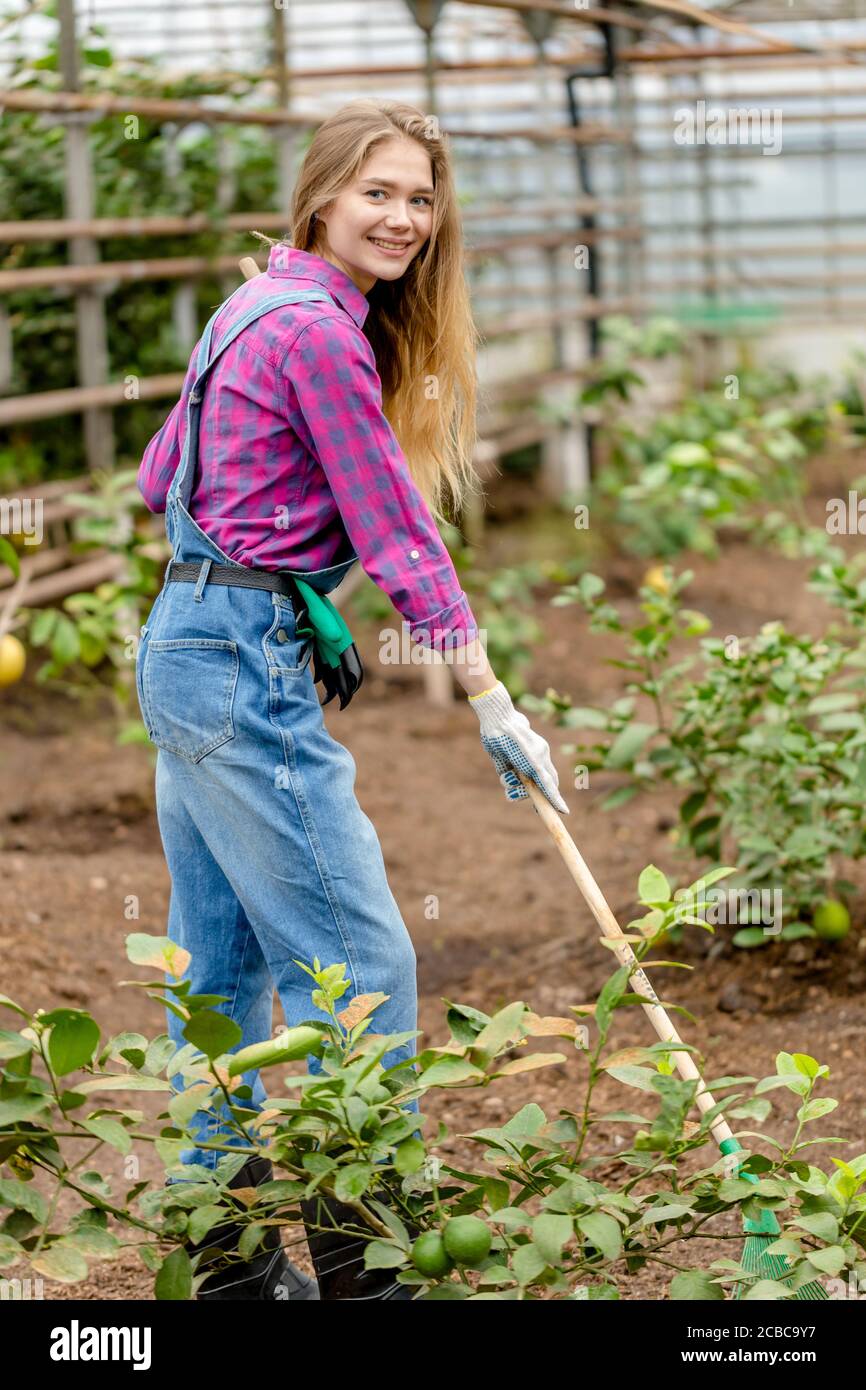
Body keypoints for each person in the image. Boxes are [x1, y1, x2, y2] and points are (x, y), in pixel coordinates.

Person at [135, 99, 568, 1301]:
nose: (402, 217)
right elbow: (394, 529)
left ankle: (223, 1268)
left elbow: (158, 476)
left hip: (186, 643)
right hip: (237, 664)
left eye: (420, 199)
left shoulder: (247, 306)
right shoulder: (321, 333)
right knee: (356, 961)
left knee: (219, 972)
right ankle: (371, 1269)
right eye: (377, 191)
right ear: (321, 194)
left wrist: (289, 583)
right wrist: (489, 696)